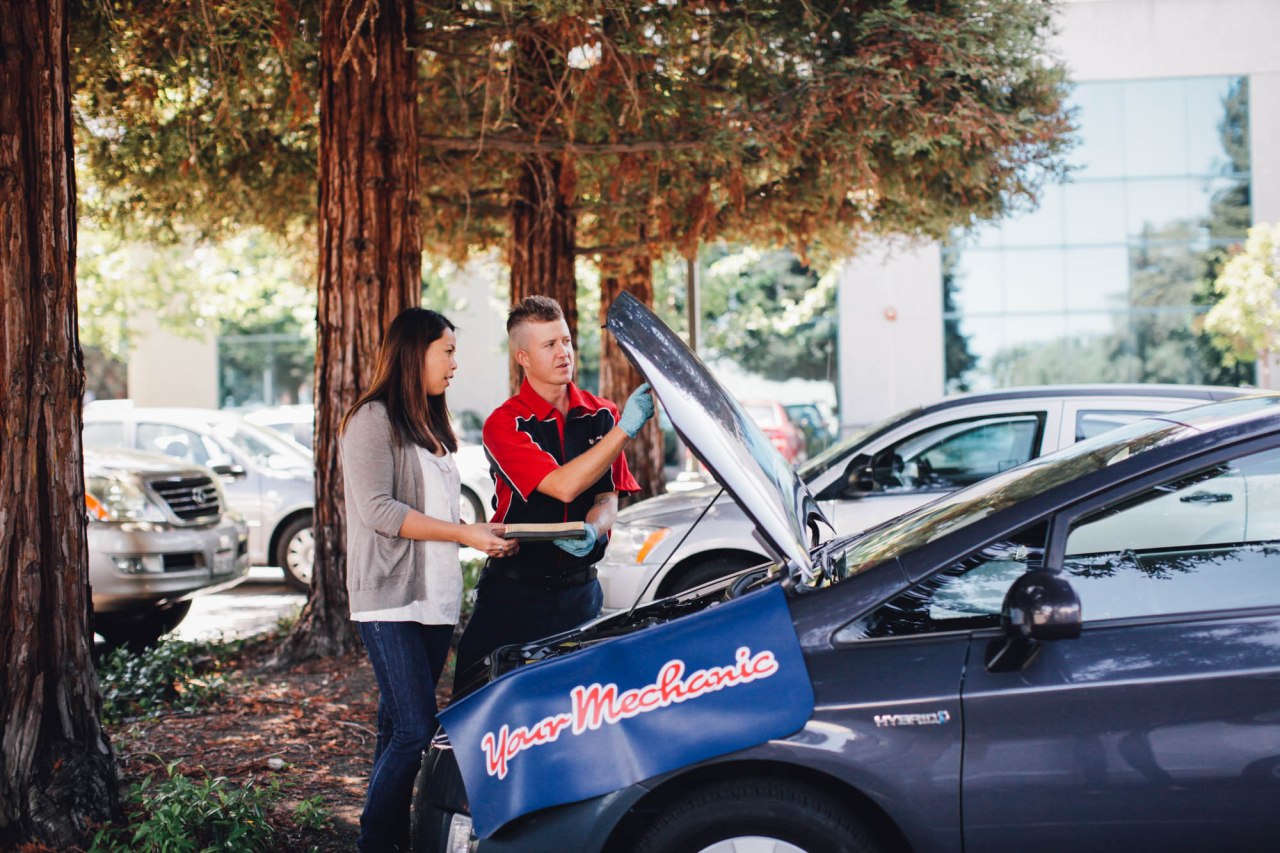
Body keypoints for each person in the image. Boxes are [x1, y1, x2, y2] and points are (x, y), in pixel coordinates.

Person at [340, 307, 512, 853]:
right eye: (448, 351)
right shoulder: (371, 420)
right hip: (389, 598)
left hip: (435, 597)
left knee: (396, 727)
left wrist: (475, 530)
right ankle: (373, 840)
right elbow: (379, 511)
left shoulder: (432, 425)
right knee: (416, 730)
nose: (455, 364)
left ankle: (390, 838)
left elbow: (432, 510)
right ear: (416, 353)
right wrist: (464, 537)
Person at [454, 295, 655, 679]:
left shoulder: (603, 415)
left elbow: (607, 498)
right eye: (549, 345)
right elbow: (563, 487)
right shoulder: (504, 424)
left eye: (566, 340)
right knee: (481, 703)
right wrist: (625, 431)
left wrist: (595, 529)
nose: (564, 352)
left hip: (581, 594)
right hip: (515, 595)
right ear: (523, 358)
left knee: (575, 710)